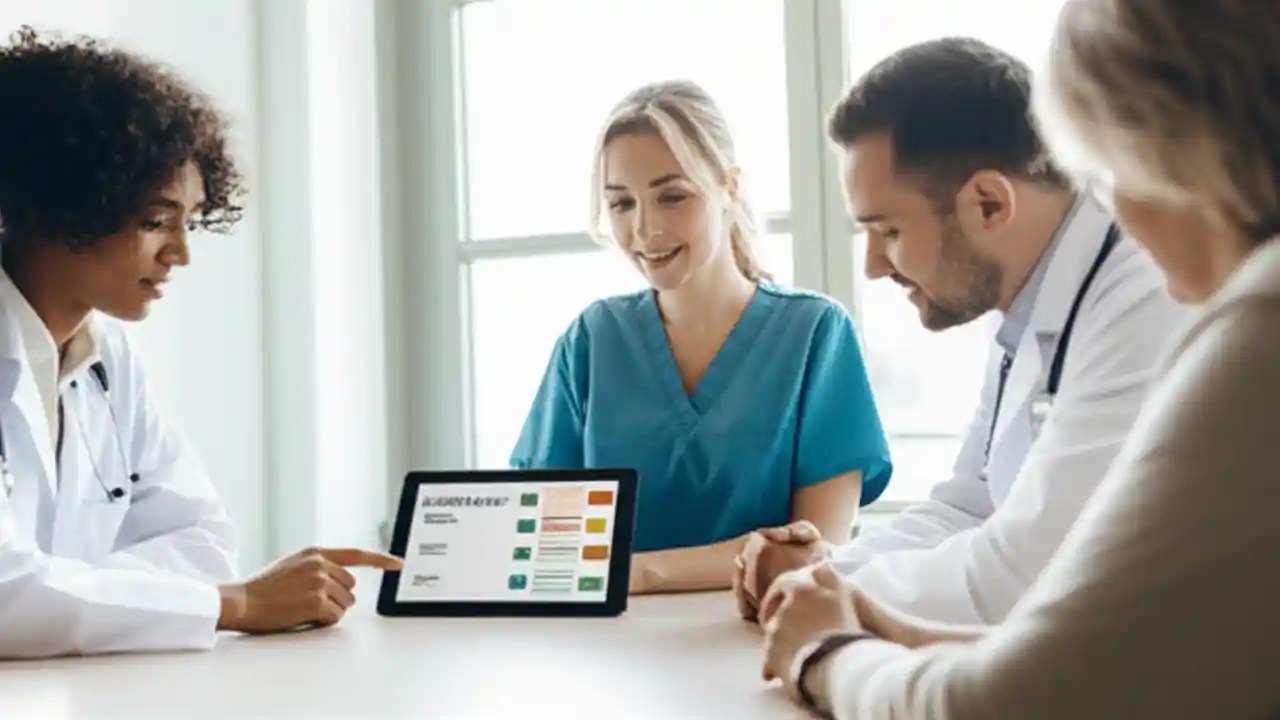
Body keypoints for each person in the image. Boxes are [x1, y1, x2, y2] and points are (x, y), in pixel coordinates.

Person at [760, 1, 1280, 717]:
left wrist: (827, 651)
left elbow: (1019, 683)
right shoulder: (1039, 313)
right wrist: (837, 584)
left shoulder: (1247, 314)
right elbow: (1071, 625)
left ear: (1187, 153)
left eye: (1107, 170)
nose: (1114, 210)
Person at [733, 37, 1188, 626]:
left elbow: (1022, 576)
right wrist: (819, 576)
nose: (872, 264)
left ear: (990, 204)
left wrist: (817, 595)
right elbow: (967, 507)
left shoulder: (1145, 295)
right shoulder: (1027, 307)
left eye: (887, 230)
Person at [0, 29, 400, 659]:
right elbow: (6, 595)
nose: (181, 253)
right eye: (155, 222)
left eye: (189, 222)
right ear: (58, 205)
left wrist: (74, 597)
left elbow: (201, 539)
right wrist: (233, 604)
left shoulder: (111, 360)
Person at [510, 80, 893, 595]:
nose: (645, 230)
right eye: (622, 204)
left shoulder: (814, 335)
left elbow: (816, 548)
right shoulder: (591, 342)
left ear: (729, 189)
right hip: (602, 650)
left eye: (672, 197)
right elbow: (540, 543)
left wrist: (638, 571)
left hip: (758, 640)